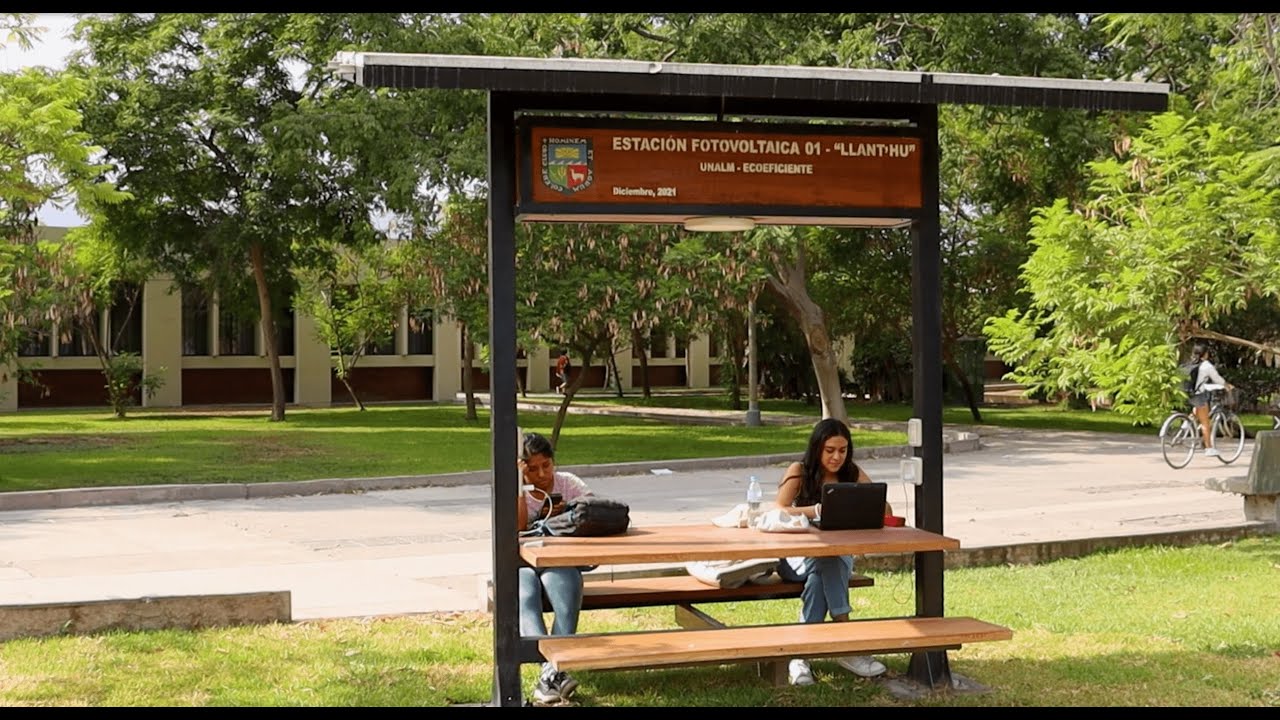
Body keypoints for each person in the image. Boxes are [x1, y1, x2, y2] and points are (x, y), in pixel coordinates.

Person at [774, 417, 891, 686]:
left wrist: (868, 502)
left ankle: (799, 658)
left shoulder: (851, 473)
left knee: (823, 574)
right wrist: (816, 510)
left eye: (843, 450)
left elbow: (886, 511)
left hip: (836, 558)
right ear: (817, 448)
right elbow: (776, 510)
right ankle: (847, 642)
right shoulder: (799, 471)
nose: (837, 457)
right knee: (828, 561)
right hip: (794, 561)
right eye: (830, 450)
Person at [516, 431, 592, 704]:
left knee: (566, 591)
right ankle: (553, 672)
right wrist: (518, 487)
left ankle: (549, 674)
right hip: (521, 563)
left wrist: (568, 512)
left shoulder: (568, 483)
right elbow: (516, 527)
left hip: (558, 561)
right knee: (523, 595)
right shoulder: (518, 490)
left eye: (546, 465)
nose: (541, 474)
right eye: (532, 469)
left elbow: (593, 510)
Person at [1187, 344, 1231, 458]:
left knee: (1197, 412)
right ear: (1205, 354)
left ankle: (1186, 425)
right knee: (1205, 422)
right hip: (1199, 396)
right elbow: (1217, 378)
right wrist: (1226, 385)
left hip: (1188, 394)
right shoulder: (1206, 365)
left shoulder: (1191, 364)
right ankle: (1209, 448)